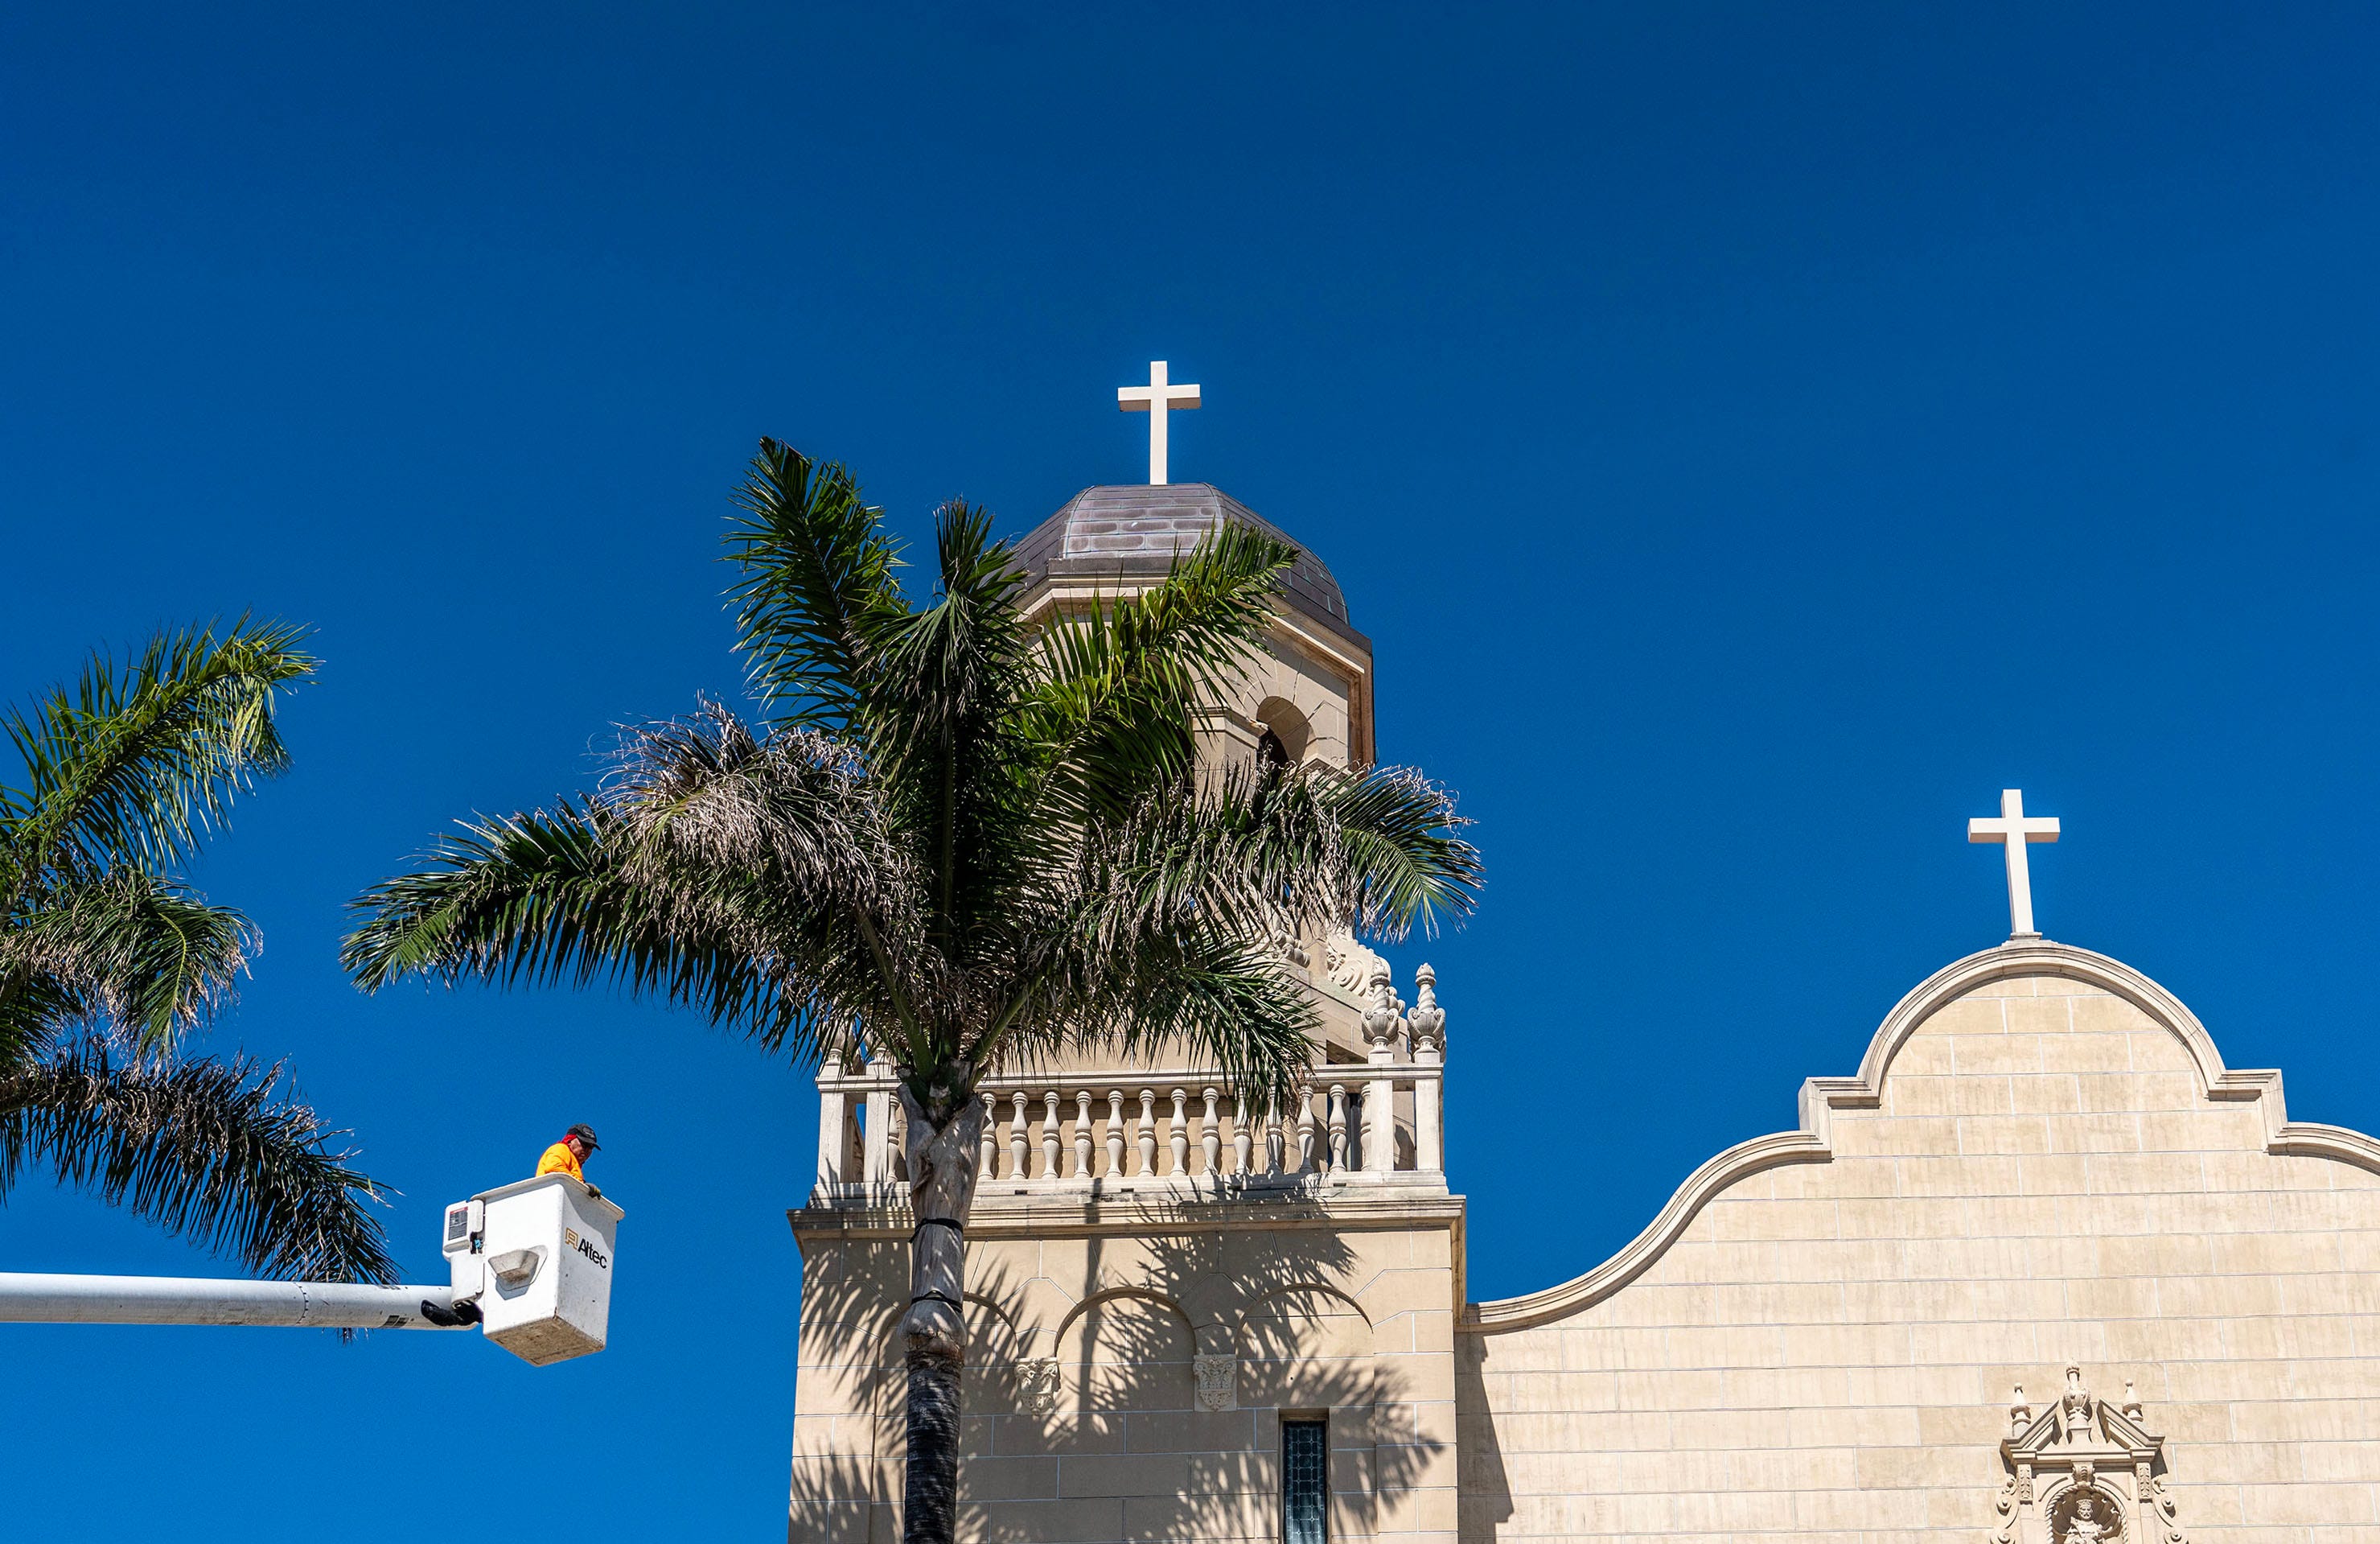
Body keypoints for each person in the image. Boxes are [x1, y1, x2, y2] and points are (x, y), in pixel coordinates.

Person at [536, 1122, 603, 1199]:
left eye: (591, 1147)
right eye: (584, 1144)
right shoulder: (561, 1148)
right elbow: (554, 1167)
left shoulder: (573, 1160)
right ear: (569, 1140)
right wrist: (582, 1186)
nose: (587, 1150)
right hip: (548, 1196)